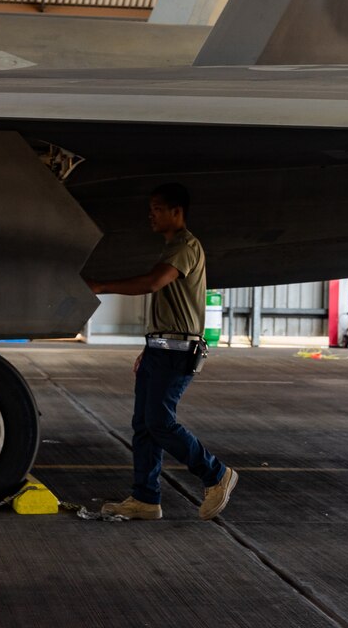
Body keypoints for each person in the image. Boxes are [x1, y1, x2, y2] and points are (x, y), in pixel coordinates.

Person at [85, 183, 237, 521]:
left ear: (176, 212)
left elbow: (154, 283)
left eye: (157, 208)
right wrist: (149, 345)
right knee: (143, 425)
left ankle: (216, 474)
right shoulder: (172, 247)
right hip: (160, 349)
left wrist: (102, 286)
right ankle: (145, 498)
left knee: (159, 422)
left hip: (177, 352)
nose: (150, 214)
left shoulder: (185, 246)